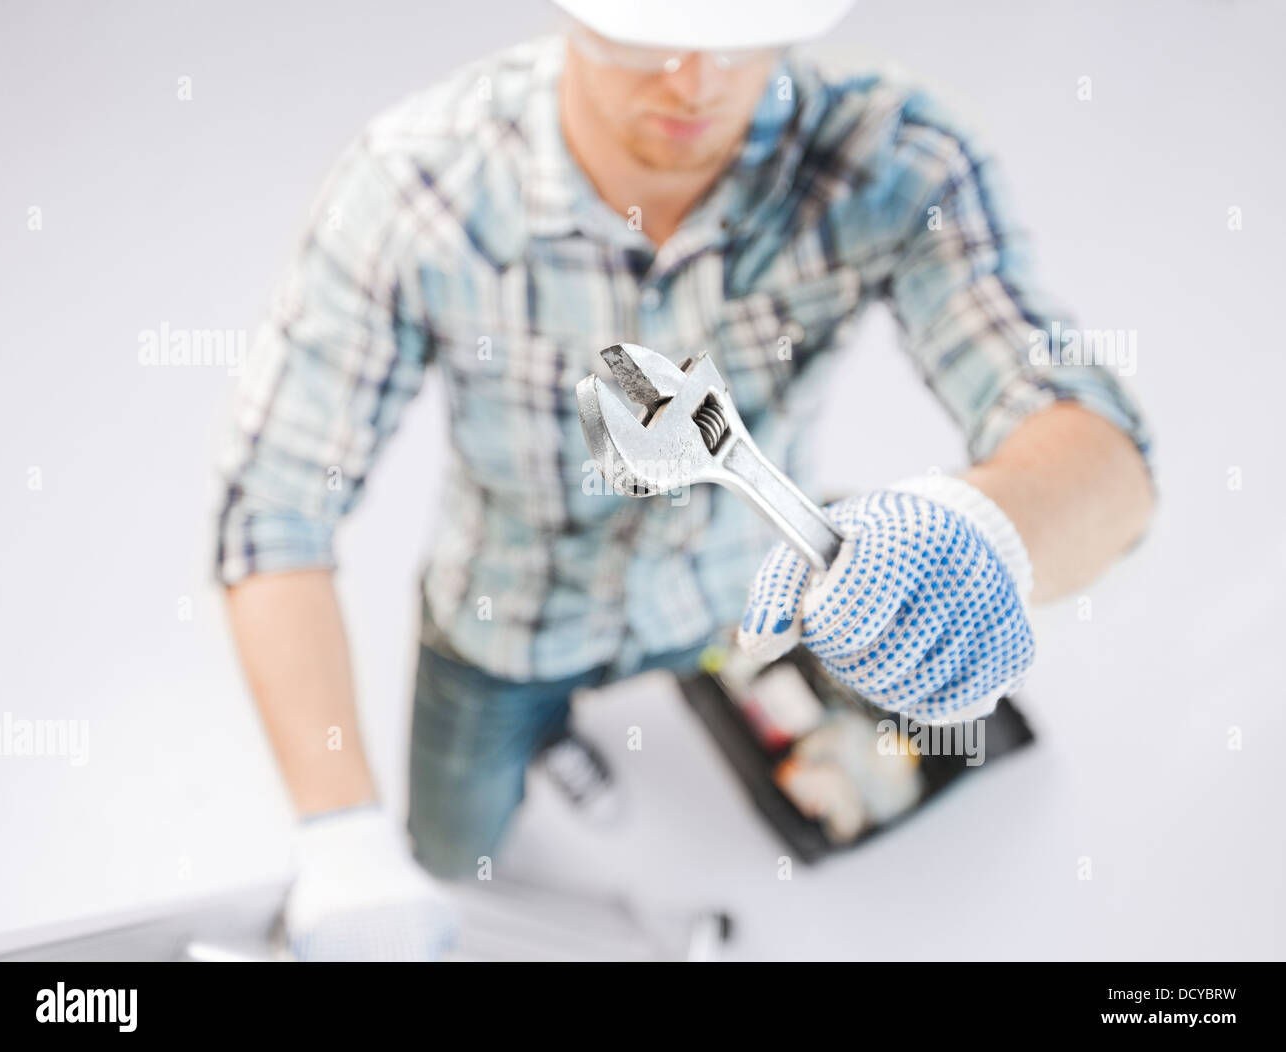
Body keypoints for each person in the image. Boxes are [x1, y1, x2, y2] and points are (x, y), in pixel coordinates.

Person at [216, 0, 1153, 960]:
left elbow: (1092, 440)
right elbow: (275, 509)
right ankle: (541, 738)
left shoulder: (895, 155)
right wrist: (339, 834)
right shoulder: (415, 186)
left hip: (725, 610)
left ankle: (572, 741)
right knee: (451, 852)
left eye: (743, 22)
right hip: (500, 629)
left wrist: (986, 528)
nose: (698, 78)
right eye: (648, 25)